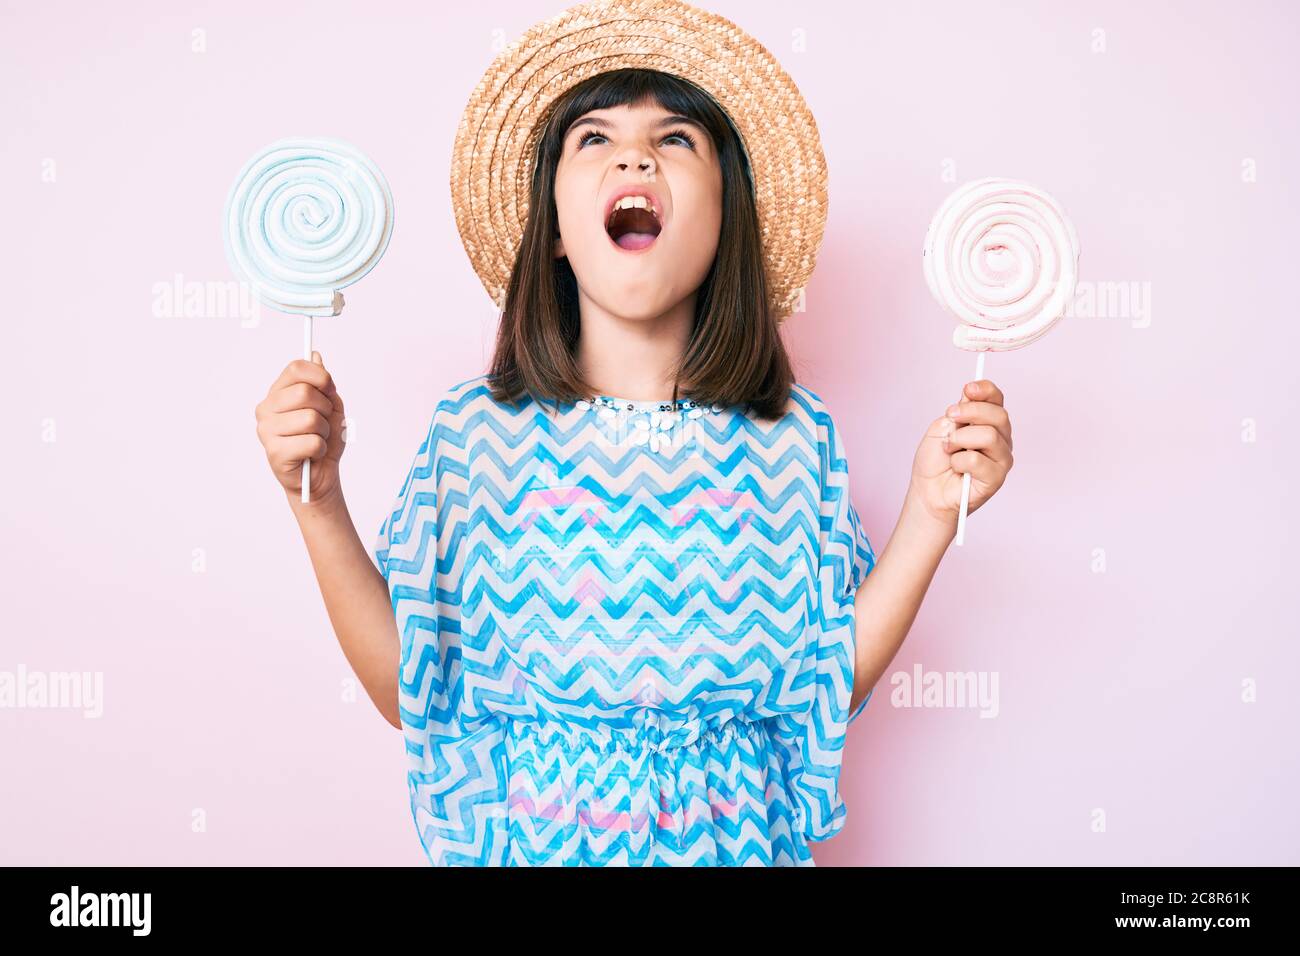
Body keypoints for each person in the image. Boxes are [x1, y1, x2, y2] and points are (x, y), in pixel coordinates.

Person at [253, 1, 1013, 866]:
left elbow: (823, 686)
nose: (635, 152)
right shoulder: (475, 435)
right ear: (555, 237)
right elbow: (409, 691)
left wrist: (927, 513)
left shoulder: (795, 439)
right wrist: (314, 500)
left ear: (728, 219)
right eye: (594, 138)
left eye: (678, 138)